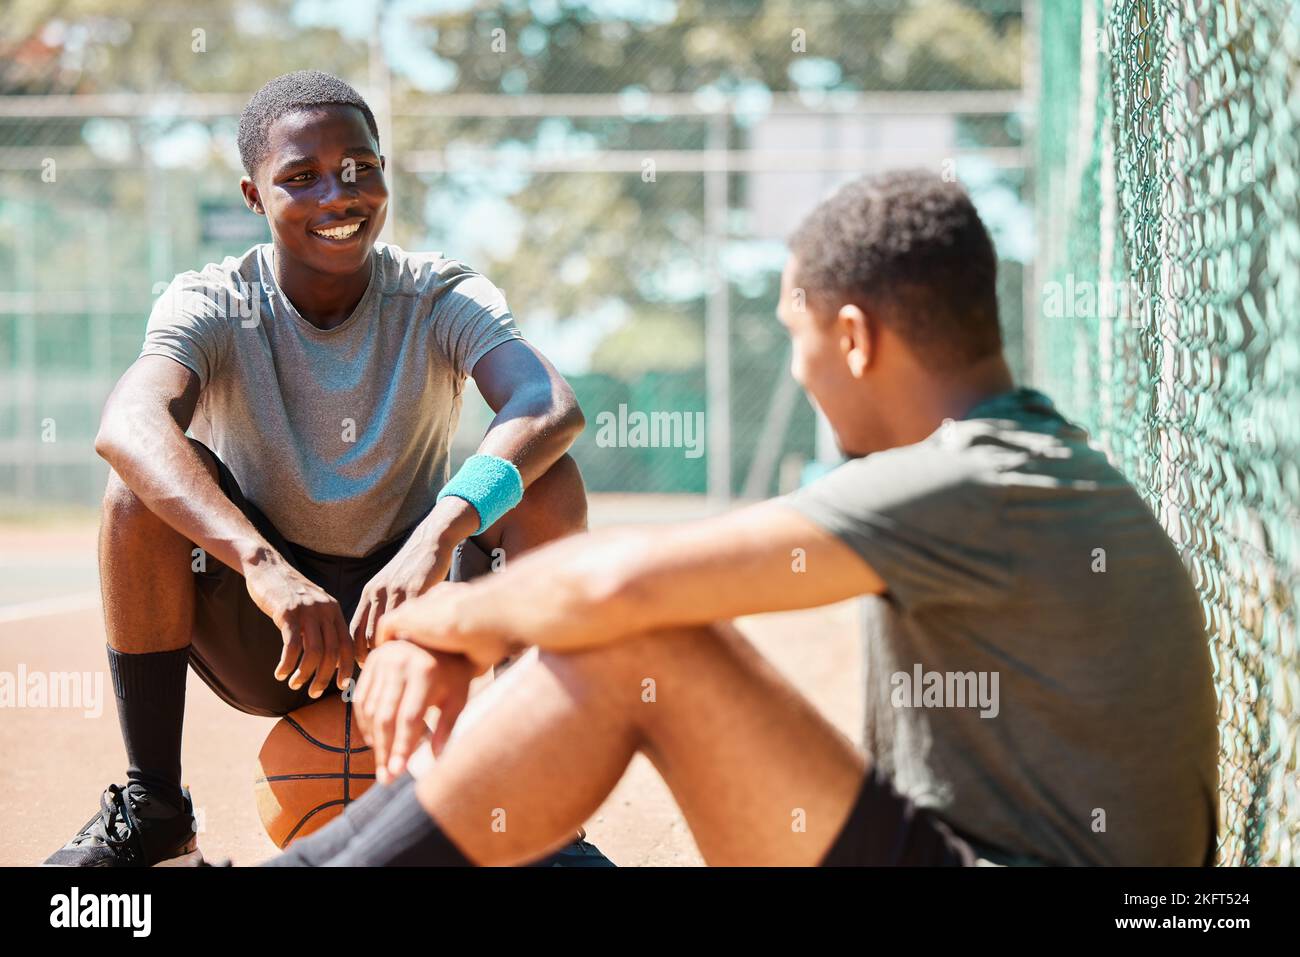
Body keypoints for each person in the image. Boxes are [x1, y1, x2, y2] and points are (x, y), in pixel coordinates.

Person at [266, 169, 1220, 867]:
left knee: (641, 647)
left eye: (795, 339)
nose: (799, 372)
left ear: (852, 338)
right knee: (634, 640)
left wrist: (433, 624)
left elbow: (623, 584)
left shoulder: (977, 476)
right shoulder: (1022, 460)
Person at [45, 70, 610, 867]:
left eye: (358, 169)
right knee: (134, 494)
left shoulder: (440, 291)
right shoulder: (212, 301)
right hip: (270, 630)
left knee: (545, 478)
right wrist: (261, 564)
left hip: (413, 614)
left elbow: (548, 404)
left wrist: (439, 535)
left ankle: (535, 806)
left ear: (384, 173)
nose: (336, 197)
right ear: (253, 196)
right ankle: (157, 811)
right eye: (299, 177)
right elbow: (127, 423)